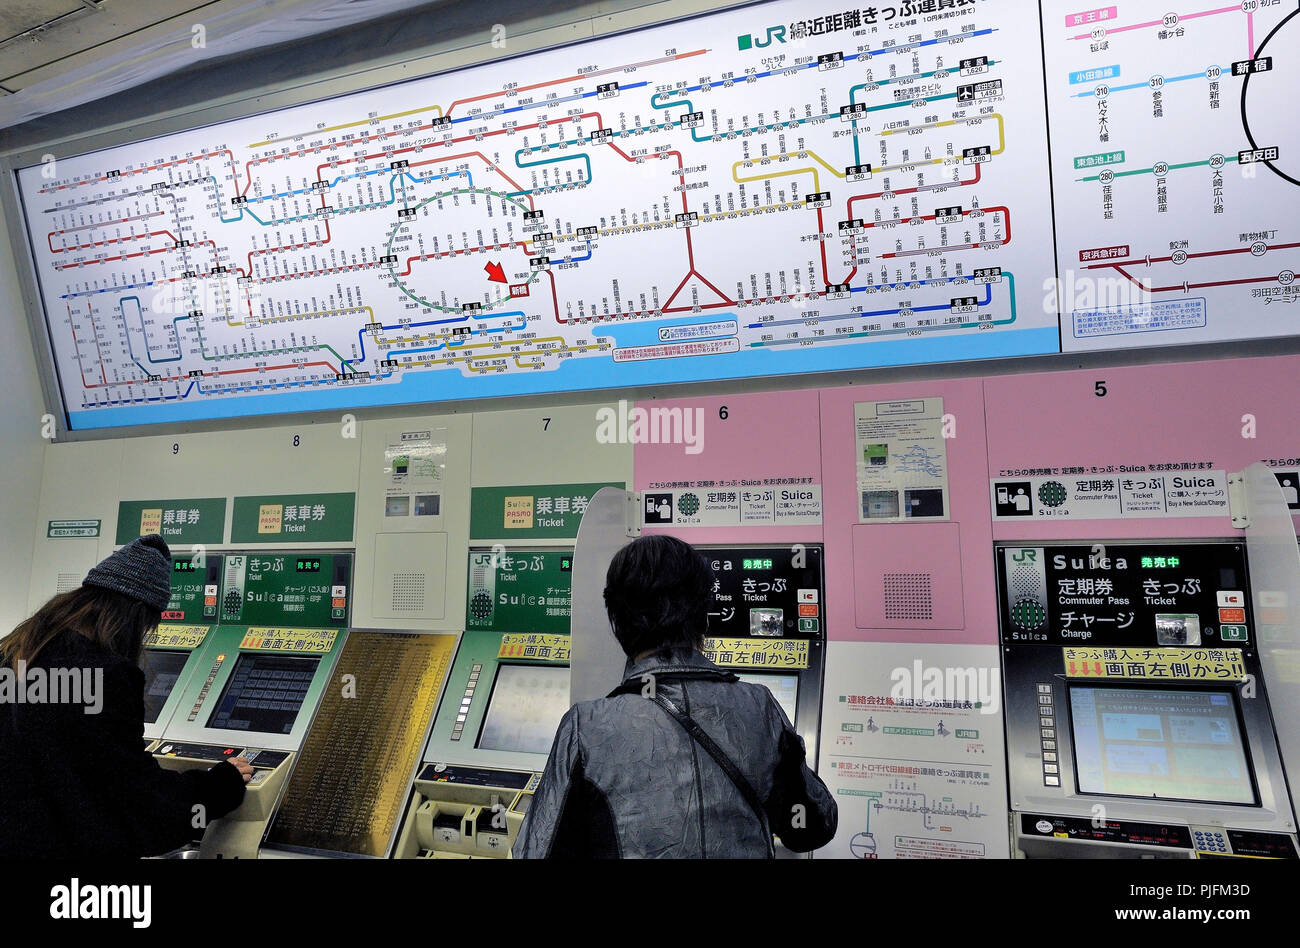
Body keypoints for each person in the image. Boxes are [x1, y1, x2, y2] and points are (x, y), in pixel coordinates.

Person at [513, 534, 837, 858]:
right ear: (704, 614)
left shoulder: (586, 726)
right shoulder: (759, 706)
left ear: (617, 621)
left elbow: (535, 850)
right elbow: (815, 826)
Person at [0, 535, 251, 859]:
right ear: (134, 616)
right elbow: (135, 803)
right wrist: (220, 787)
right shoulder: (106, 675)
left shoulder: (15, 654)